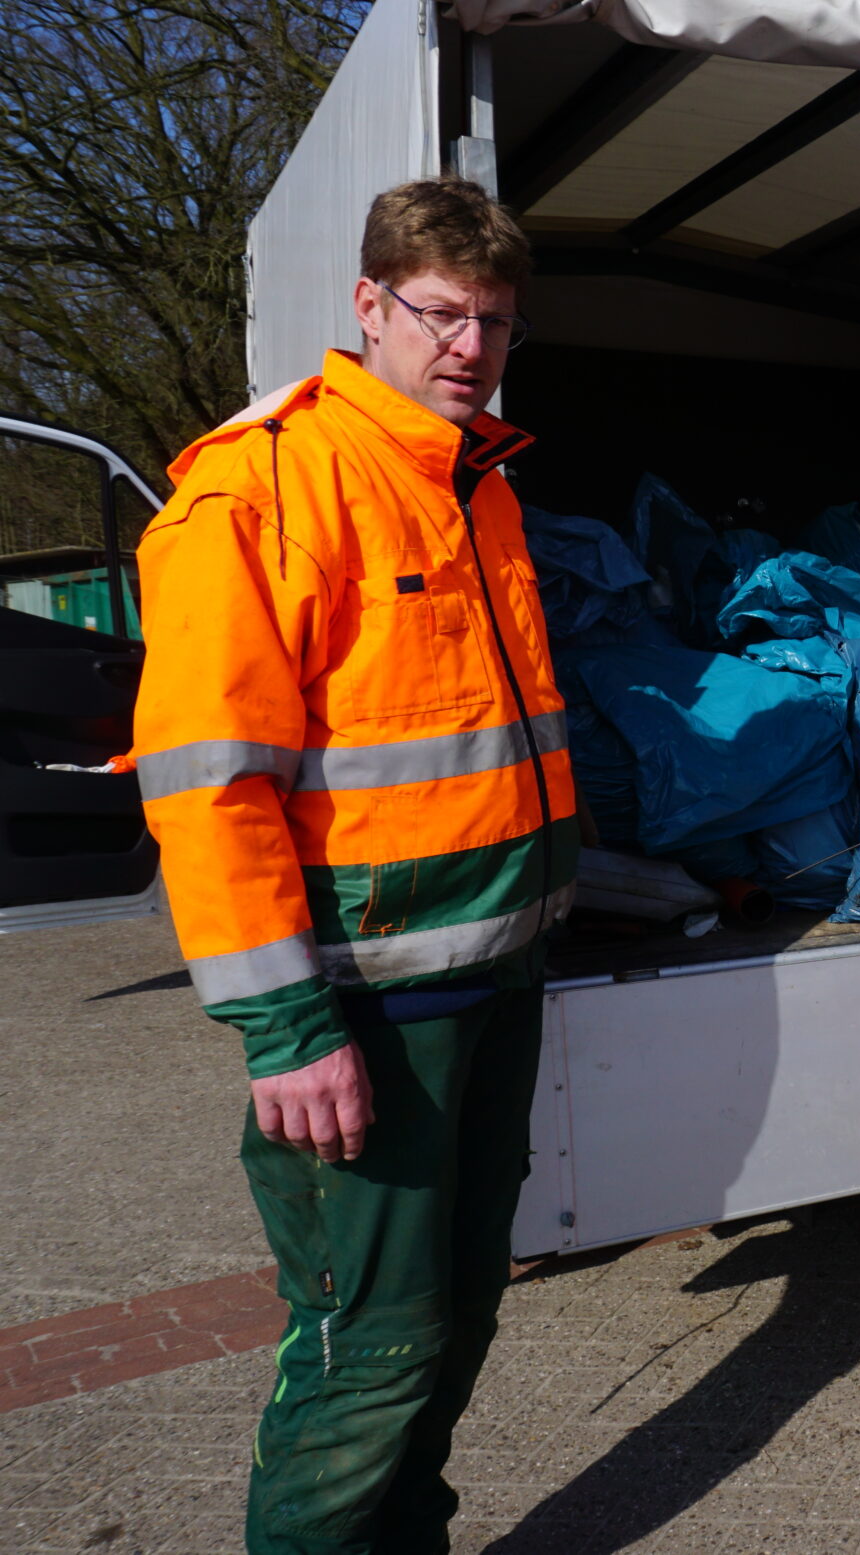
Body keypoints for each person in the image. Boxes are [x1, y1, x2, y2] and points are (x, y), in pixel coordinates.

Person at [132, 177, 578, 1554]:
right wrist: (284, 1029)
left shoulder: (477, 482)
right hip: (366, 1014)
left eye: (495, 322)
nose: (470, 346)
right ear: (370, 306)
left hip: (496, 974)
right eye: (443, 315)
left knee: (457, 1311)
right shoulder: (259, 485)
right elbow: (210, 789)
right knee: (369, 1349)